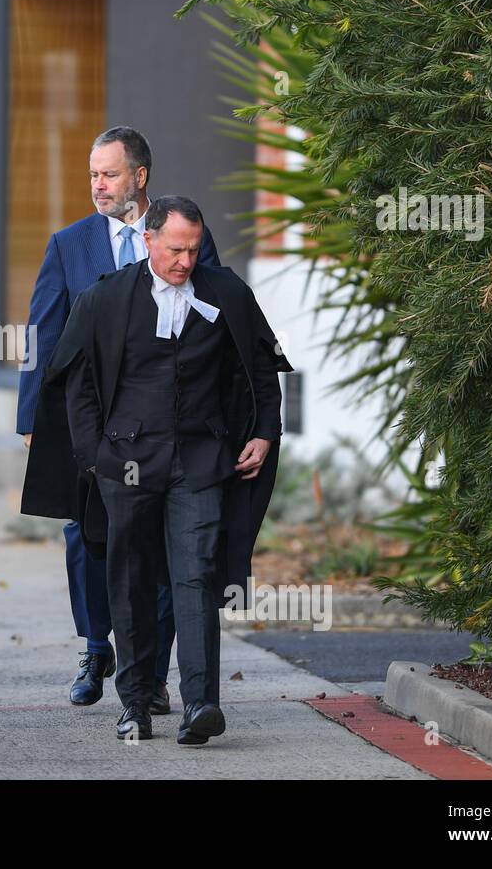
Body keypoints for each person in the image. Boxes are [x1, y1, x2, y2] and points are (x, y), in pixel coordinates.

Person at [25, 195, 291, 743]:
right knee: (132, 580)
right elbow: (76, 385)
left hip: (200, 460)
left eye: (193, 250)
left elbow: (264, 369)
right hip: (125, 464)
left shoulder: (228, 294)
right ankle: (137, 703)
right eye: (174, 250)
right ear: (147, 240)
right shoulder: (106, 299)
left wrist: (264, 432)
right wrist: (95, 456)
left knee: (195, 576)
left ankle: (200, 704)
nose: (185, 262)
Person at [16, 127, 221, 713]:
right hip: (93, 423)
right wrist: (34, 417)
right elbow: (43, 332)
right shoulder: (70, 244)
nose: (98, 186)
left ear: (140, 177)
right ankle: (93, 644)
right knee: (86, 534)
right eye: (92, 176)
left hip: (168, 423)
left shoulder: (183, 236)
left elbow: (215, 317)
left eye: (108, 174)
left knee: (159, 541)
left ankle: (152, 673)